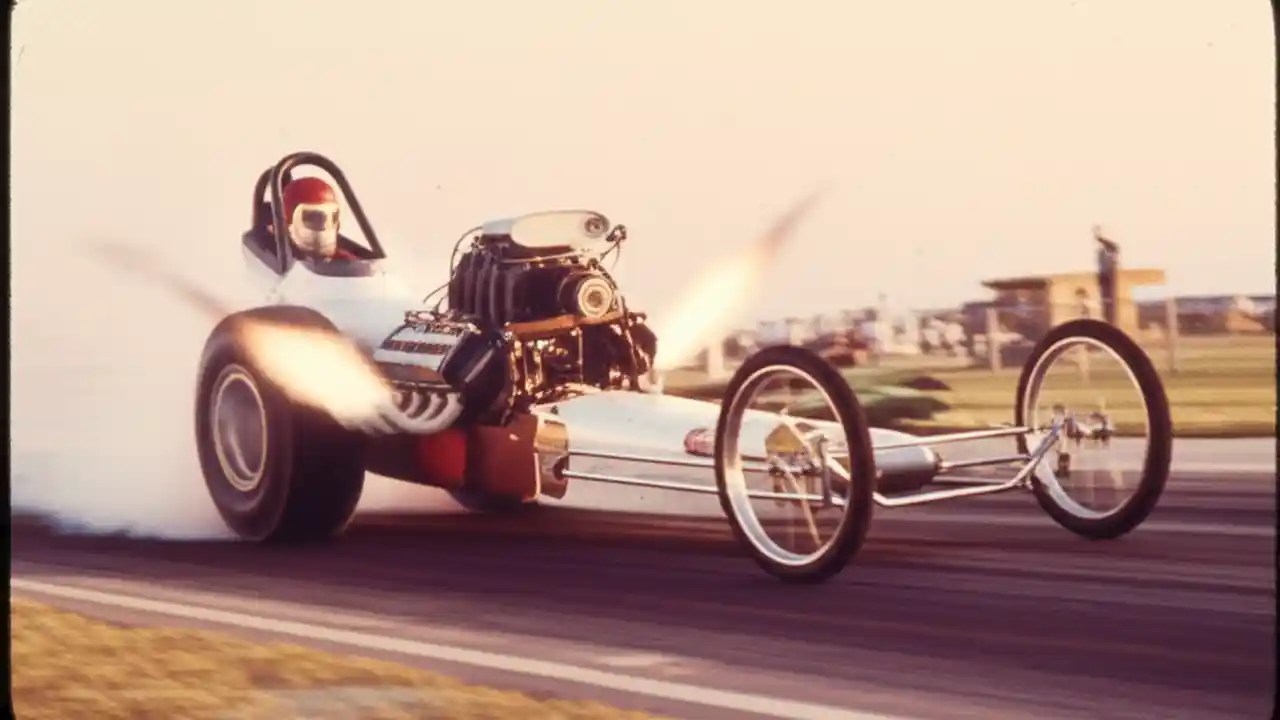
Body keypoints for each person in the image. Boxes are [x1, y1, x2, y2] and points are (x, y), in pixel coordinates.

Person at [282, 176, 358, 261]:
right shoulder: (279, 249)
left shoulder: (345, 260)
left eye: (333, 217)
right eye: (313, 218)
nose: (325, 227)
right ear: (288, 222)